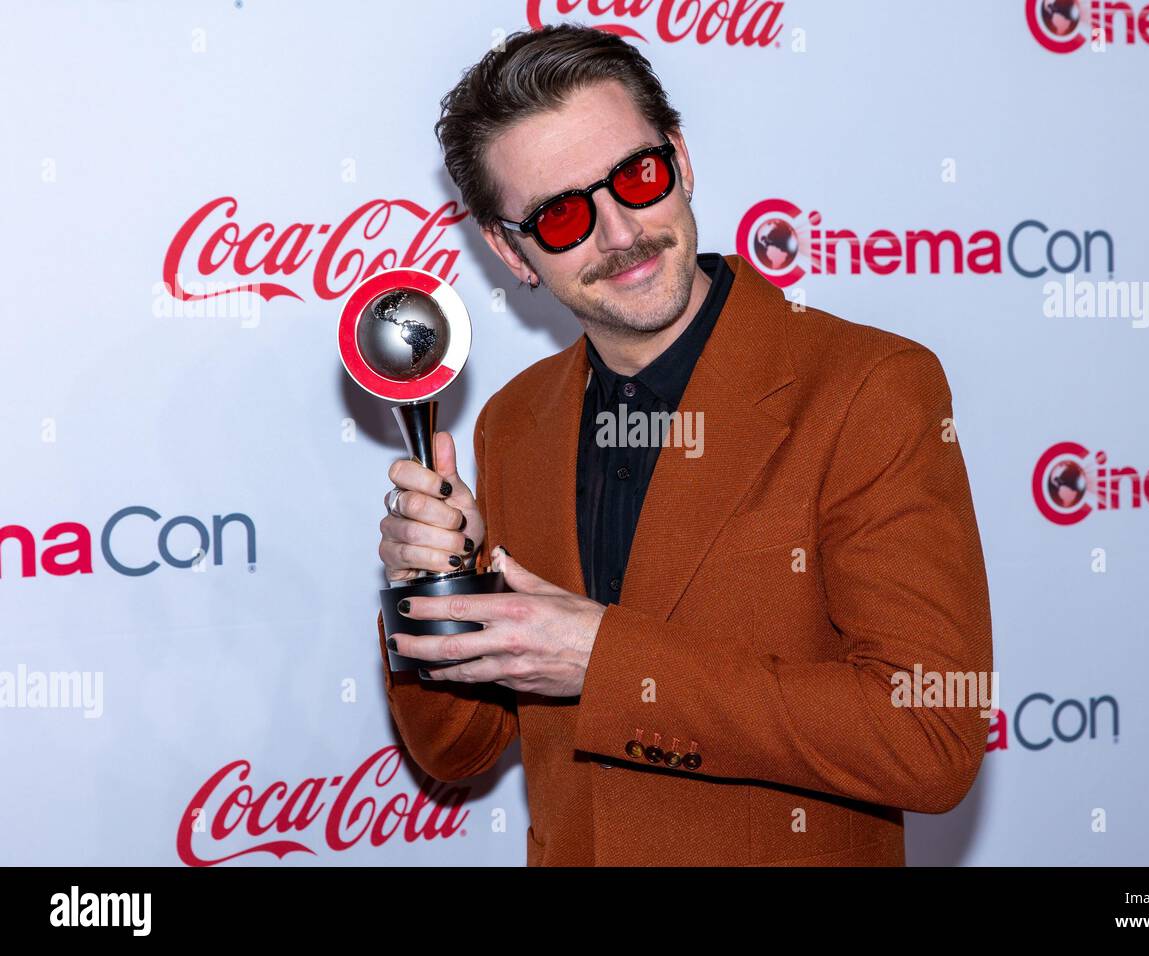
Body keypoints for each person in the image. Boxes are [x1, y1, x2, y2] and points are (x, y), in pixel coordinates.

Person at [376, 24, 993, 866]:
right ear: (509, 251)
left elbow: (930, 736)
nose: (620, 231)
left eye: (636, 175)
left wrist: (605, 660)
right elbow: (456, 750)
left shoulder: (868, 386)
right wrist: (432, 586)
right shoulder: (514, 421)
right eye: (559, 215)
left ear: (681, 158)